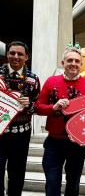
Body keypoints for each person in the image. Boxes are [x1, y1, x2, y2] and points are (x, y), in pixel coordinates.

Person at [35, 45, 85, 196]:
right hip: (54, 142)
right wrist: (53, 107)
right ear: (63, 63)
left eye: (77, 61)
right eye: (69, 60)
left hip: (76, 144)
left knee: (73, 183)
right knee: (52, 181)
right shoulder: (51, 81)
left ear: (81, 64)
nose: (73, 63)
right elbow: (38, 107)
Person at [0, 41, 40, 196]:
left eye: (20, 54)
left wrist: (28, 105)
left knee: (17, 172)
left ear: (26, 57)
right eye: (12, 53)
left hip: (21, 134)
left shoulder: (33, 79)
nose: (15, 57)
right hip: (0, 133)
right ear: (7, 55)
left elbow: (37, 106)